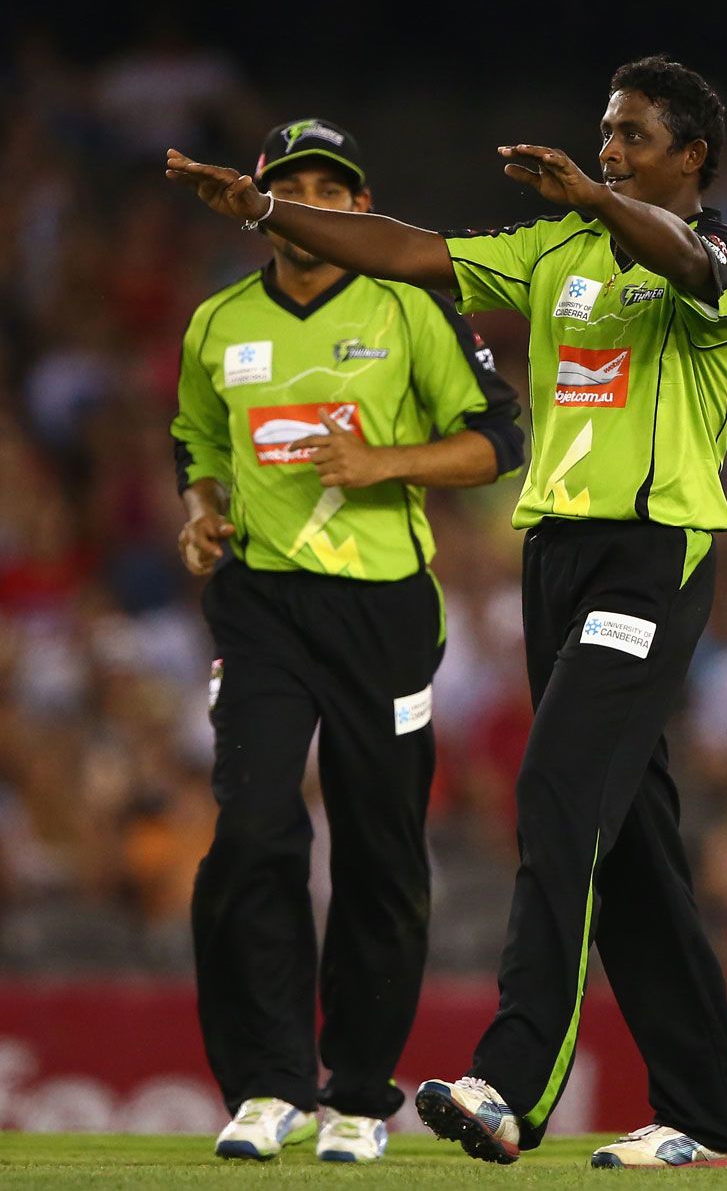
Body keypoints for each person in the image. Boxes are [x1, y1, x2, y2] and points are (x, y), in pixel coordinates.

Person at [166, 54, 727, 1170]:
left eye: (636, 135)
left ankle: (511, 1082)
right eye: (606, 132)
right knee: (630, 842)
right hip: (557, 556)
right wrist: (264, 207)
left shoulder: (724, 254)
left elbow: (683, 261)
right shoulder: (556, 251)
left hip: (653, 550)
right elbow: (407, 251)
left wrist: (600, 199)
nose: (612, 149)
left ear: (693, 155)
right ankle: (712, 1118)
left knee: (554, 787)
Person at [169, 116, 524, 1164]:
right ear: (263, 205)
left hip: (383, 613)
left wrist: (388, 465)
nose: (314, 204)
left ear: (363, 207)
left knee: (378, 850)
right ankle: (267, 1086)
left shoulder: (414, 310)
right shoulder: (217, 323)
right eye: (294, 187)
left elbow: (499, 437)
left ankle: (362, 1093)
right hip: (263, 606)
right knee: (252, 831)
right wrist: (201, 506)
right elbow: (196, 435)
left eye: (333, 189)